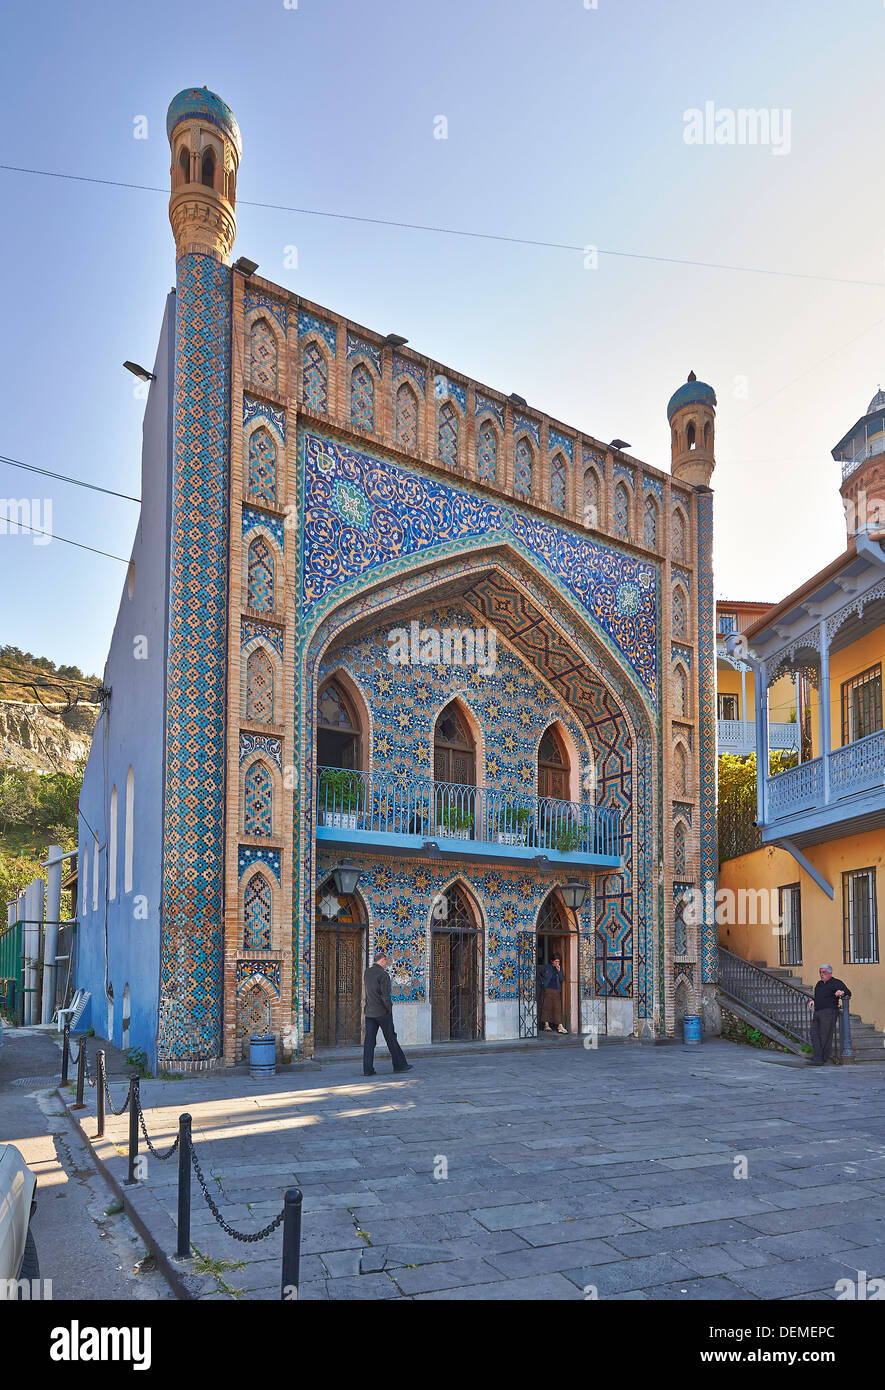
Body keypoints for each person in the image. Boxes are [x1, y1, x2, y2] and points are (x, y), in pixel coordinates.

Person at [363, 950, 413, 1076]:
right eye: (385, 961)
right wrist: (389, 1009)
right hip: (382, 1013)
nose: (386, 964)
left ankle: (367, 1069)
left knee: (369, 1042)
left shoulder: (367, 972)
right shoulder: (383, 975)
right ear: (382, 960)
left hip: (369, 1012)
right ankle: (399, 1065)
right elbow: (385, 996)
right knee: (391, 1039)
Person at [807, 963, 851, 1065]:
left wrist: (841, 992)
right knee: (814, 1034)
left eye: (824, 972)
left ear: (830, 973)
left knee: (825, 1036)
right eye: (820, 972)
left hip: (829, 1012)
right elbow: (819, 995)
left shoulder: (836, 982)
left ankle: (822, 1059)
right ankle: (817, 1057)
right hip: (817, 1011)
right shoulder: (819, 984)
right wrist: (813, 1000)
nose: (822, 974)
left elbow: (848, 992)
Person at [538, 953, 568, 1034]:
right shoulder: (546, 967)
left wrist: (559, 971)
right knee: (546, 1007)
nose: (557, 963)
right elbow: (537, 971)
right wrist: (542, 982)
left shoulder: (559, 968)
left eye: (558, 961)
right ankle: (546, 1025)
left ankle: (560, 1026)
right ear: (552, 961)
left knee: (557, 1008)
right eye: (556, 961)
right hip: (547, 990)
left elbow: (562, 979)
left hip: (556, 991)